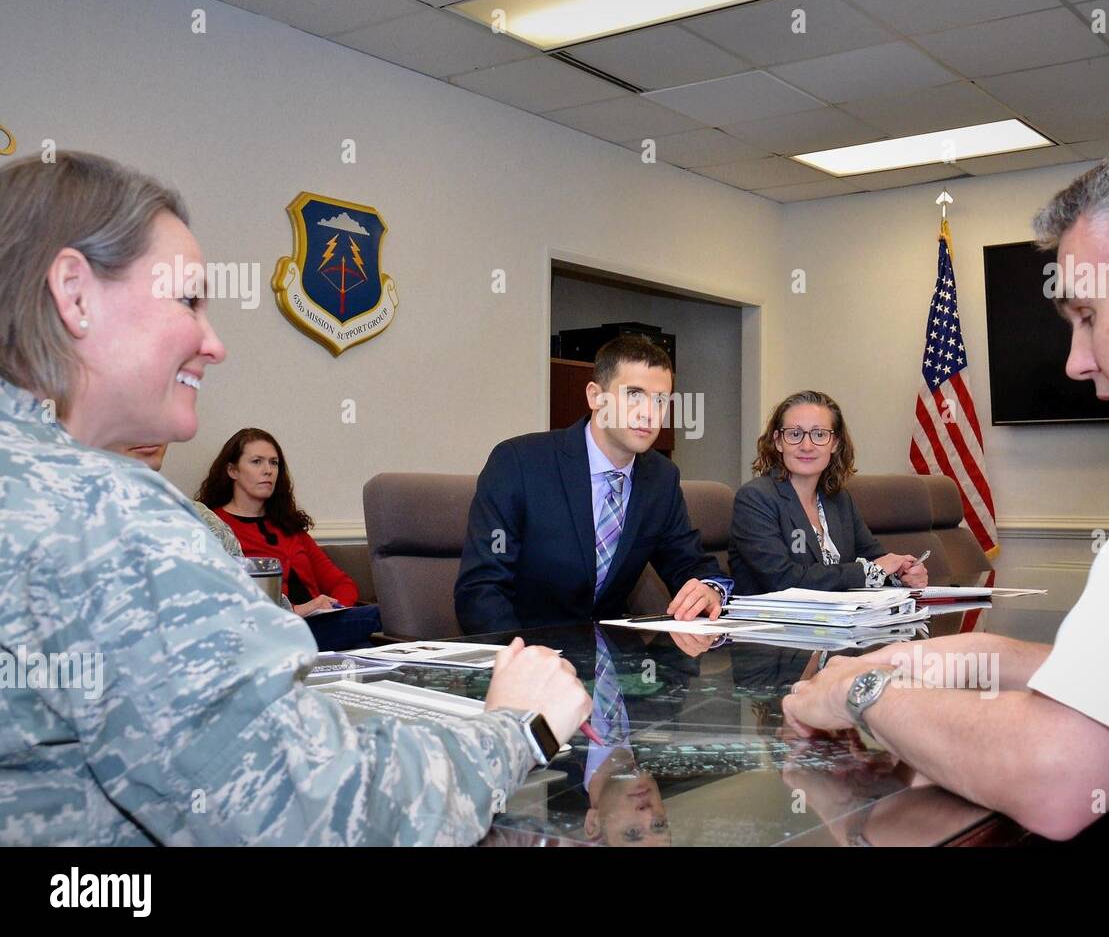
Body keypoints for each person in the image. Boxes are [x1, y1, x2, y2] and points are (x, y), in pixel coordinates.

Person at [0, 151, 591, 845]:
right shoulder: (105, 515)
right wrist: (517, 726)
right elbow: (329, 820)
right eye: (188, 299)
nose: (213, 344)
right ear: (74, 292)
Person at [783, 122, 1109, 845]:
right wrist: (914, 660)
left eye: (1087, 317)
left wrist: (863, 692)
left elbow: (1059, 777)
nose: (1076, 362)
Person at [455, 335, 732, 634]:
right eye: (634, 395)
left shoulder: (661, 477)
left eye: (661, 400)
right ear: (595, 397)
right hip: (526, 656)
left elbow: (689, 563)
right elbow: (480, 590)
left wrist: (709, 589)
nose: (649, 413)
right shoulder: (519, 463)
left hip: (611, 662)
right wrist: (523, 659)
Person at [729, 389, 928, 595]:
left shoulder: (838, 499)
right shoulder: (755, 498)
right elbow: (782, 579)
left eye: (819, 434)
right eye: (795, 434)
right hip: (773, 623)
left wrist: (902, 573)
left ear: (835, 443)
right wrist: (870, 572)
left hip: (837, 622)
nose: (807, 446)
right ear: (778, 441)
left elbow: (874, 558)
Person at [196, 428, 378, 650]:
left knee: (367, 641)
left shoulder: (290, 527)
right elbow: (233, 603)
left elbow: (342, 583)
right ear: (232, 470)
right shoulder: (216, 527)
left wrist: (334, 607)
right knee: (382, 618)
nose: (268, 471)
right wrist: (302, 609)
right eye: (257, 462)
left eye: (274, 463)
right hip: (271, 631)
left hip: (318, 625)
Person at [112, 442, 297, 611]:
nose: (150, 431)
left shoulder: (202, 521)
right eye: (256, 461)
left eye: (274, 463)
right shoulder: (91, 517)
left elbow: (257, 609)